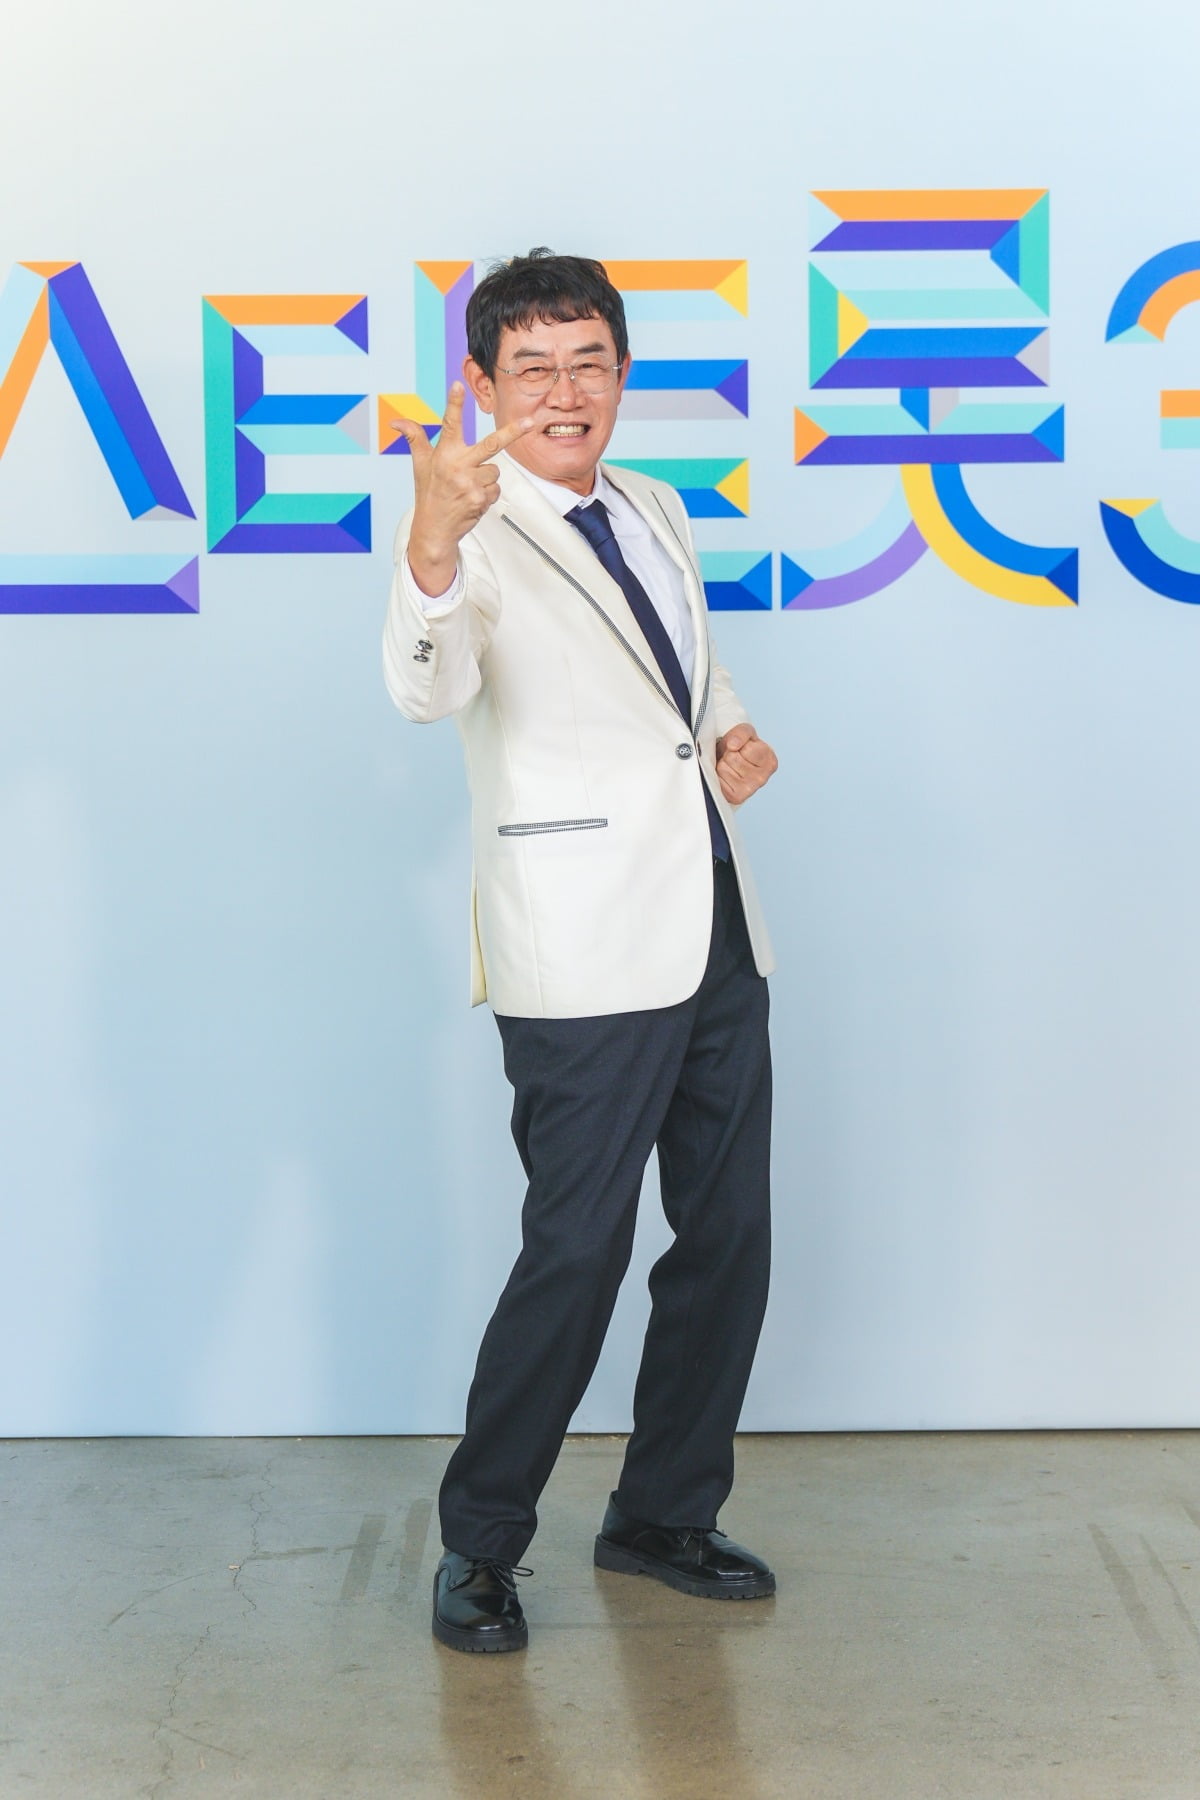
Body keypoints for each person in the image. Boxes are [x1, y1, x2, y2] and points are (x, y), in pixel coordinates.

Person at [383, 250, 780, 1655]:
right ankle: (481, 1544)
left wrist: (729, 731)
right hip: (580, 944)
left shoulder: (655, 504)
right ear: (483, 385)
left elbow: (684, 672)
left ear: (622, 372)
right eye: (533, 368)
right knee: (577, 1248)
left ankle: (664, 1512)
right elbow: (426, 686)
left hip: (714, 925)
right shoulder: (469, 523)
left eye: (589, 362)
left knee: (727, 1237)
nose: (565, 391)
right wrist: (434, 549)